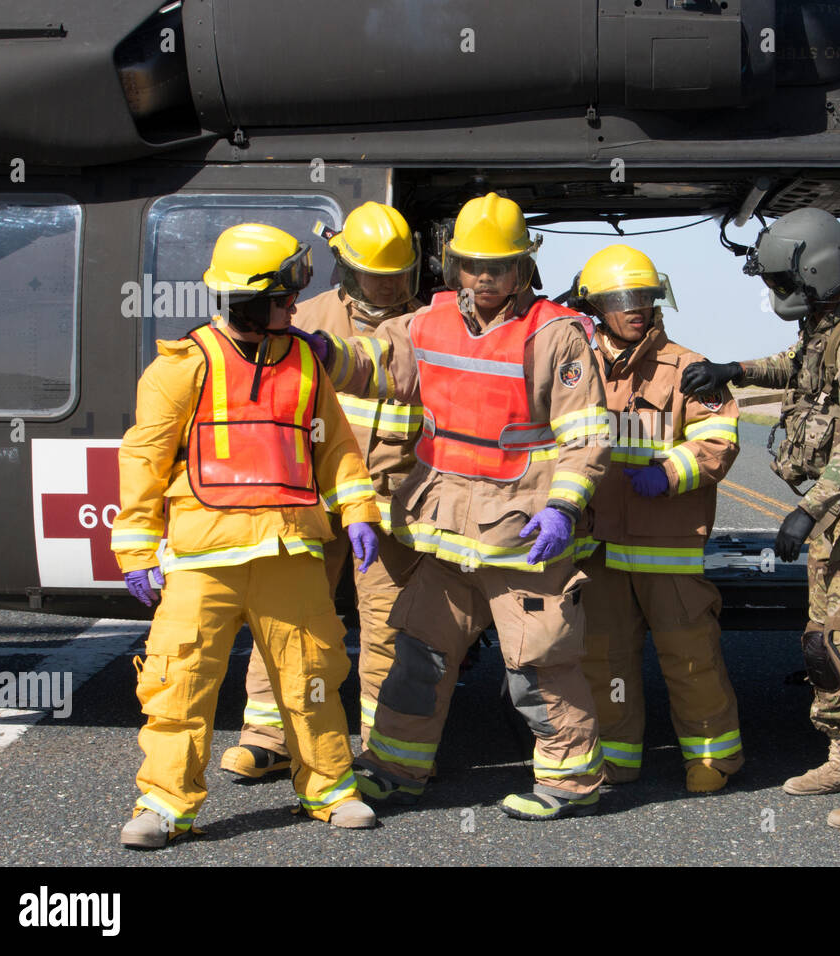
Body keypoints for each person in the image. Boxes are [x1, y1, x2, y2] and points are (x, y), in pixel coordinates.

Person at [296, 192, 611, 820]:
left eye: (500, 266)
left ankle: (572, 781)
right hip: (445, 532)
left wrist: (563, 509)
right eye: (473, 265)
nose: (486, 278)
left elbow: (587, 437)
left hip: (524, 536)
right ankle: (394, 768)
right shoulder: (425, 323)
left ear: (525, 266)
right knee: (417, 655)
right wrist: (325, 353)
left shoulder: (556, 336)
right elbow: (376, 365)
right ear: (452, 264)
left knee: (538, 665)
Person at [111, 223, 381, 847]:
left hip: (288, 549)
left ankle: (331, 788)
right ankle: (164, 805)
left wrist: (360, 511)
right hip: (204, 557)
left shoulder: (308, 360)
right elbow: (143, 460)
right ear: (252, 300)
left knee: (312, 674)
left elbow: (336, 448)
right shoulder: (183, 366)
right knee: (180, 679)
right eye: (285, 298)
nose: (295, 308)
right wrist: (134, 548)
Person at [681, 208, 840, 830]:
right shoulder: (829, 326)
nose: (778, 293)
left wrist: (805, 508)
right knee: (821, 640)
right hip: (836, 515)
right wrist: (733, 370)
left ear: (814, 270)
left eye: (783, 282)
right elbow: (795, 365)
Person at [220, 202, 426, 779]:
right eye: (375, 278)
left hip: (391, 506)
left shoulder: (427, 329)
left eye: (398, 278)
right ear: (346, 270)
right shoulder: (299, 319)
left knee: (390, 629)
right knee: (288, 622)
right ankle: (268, 737)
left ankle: (383, 748)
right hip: (310, 502)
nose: (387, 290)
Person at [569, 244, 744, 792]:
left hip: (665, 543)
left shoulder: (689, 368)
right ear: (596, 305)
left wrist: (669, 473)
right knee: (606, 660)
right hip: (597, 544)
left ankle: (715, 759)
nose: (636, 307)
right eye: (622, 298)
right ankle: (618, 758)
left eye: (643, 295)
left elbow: (720, 440)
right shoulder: (576, 364)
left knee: (690, 659)